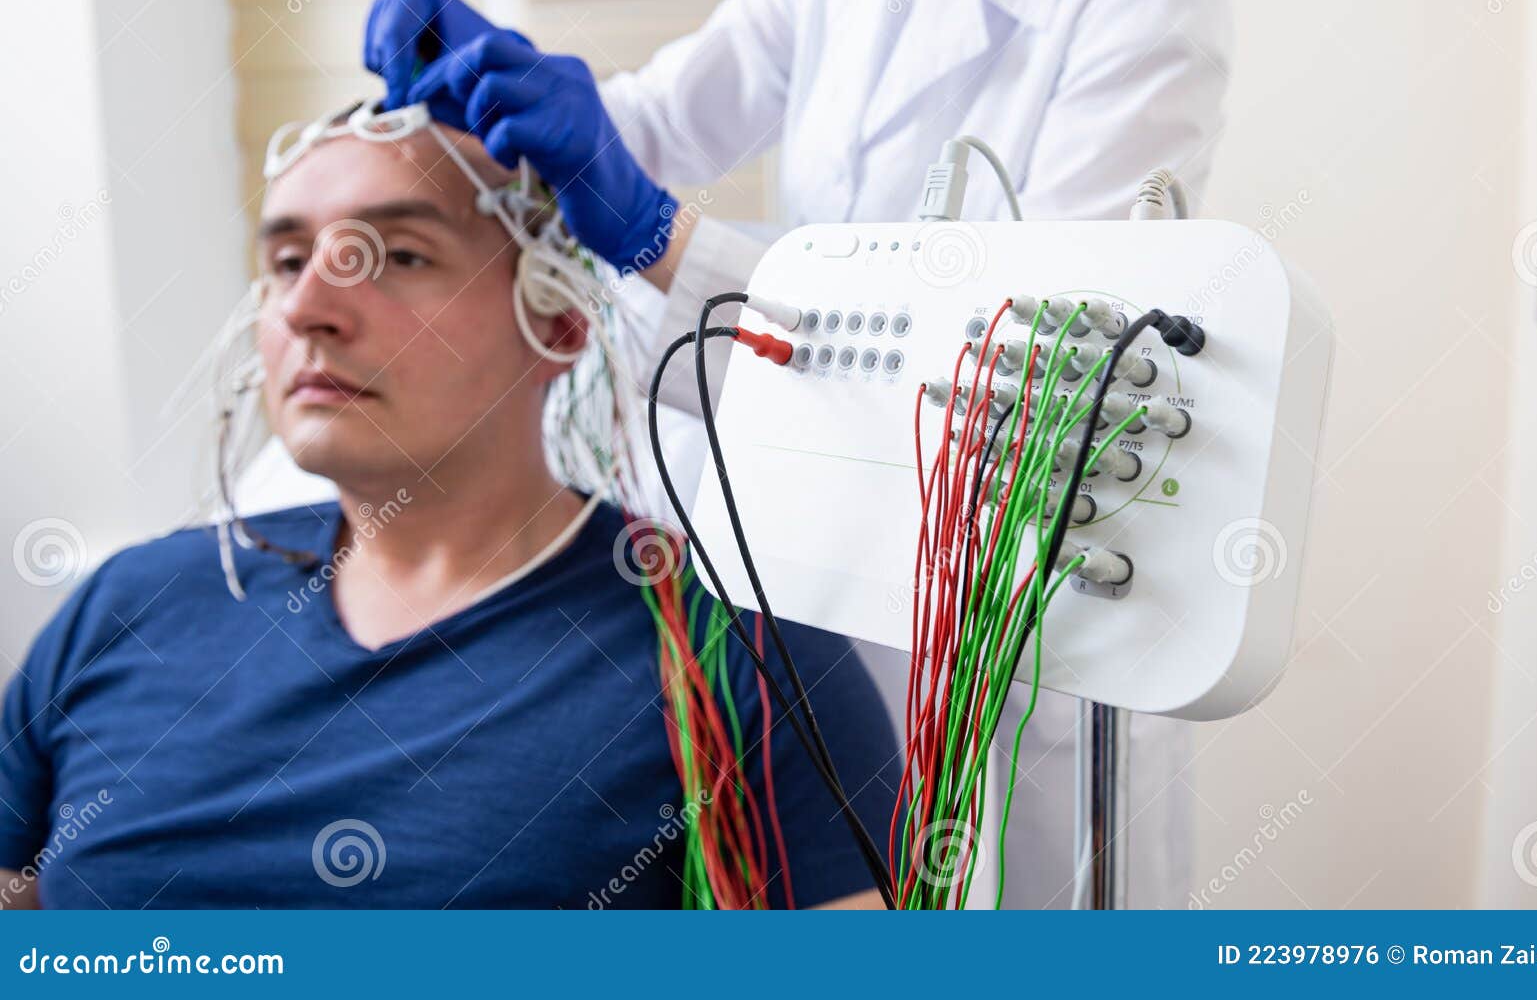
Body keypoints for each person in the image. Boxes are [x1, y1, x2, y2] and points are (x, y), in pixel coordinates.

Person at [362, 0, 1230, 906]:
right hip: (815, 574)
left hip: (993, 623)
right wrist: (485, 91)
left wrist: (649, 229)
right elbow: (646, 126)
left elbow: (1009, 377)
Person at [0, 115, 898, 909]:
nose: (309, 307)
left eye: (399, 257)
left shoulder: (732, 658)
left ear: (557, 324)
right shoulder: (135, 605)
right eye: (285, 262)